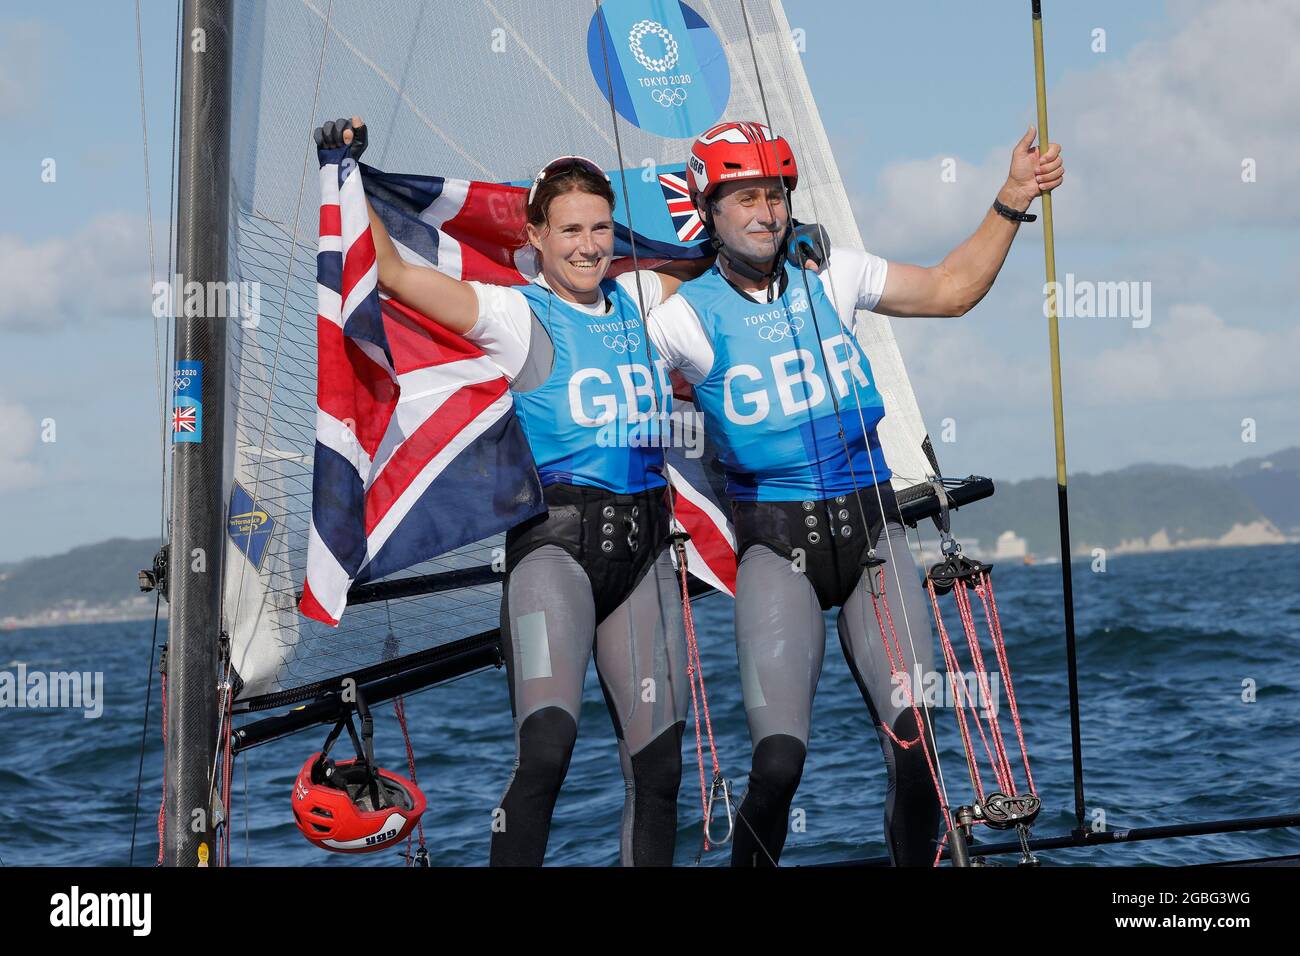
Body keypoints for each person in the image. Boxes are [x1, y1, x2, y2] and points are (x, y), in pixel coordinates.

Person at [646, 120, 1064, 866]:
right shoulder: (682, 316)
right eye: (744, 196)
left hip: (874, 538)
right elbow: (607, 360)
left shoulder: (832, 275)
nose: (765, 212)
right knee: (778, 764)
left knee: (916, 745)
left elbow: (950, 291)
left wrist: (1011, 198)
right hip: (778, 551)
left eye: (775, 194)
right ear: (709, 210)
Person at [312, 117, 707, 866]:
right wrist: (344, 172)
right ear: (535, 236)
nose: (588, 245)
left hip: (648, 555)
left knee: (658, 769)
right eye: (569, 231)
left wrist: (776, 233)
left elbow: (707, 264)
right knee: (548, 753)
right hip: (554, 554)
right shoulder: (516, 313)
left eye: (599, 228)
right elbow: (394, 274)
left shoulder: (643, 298)